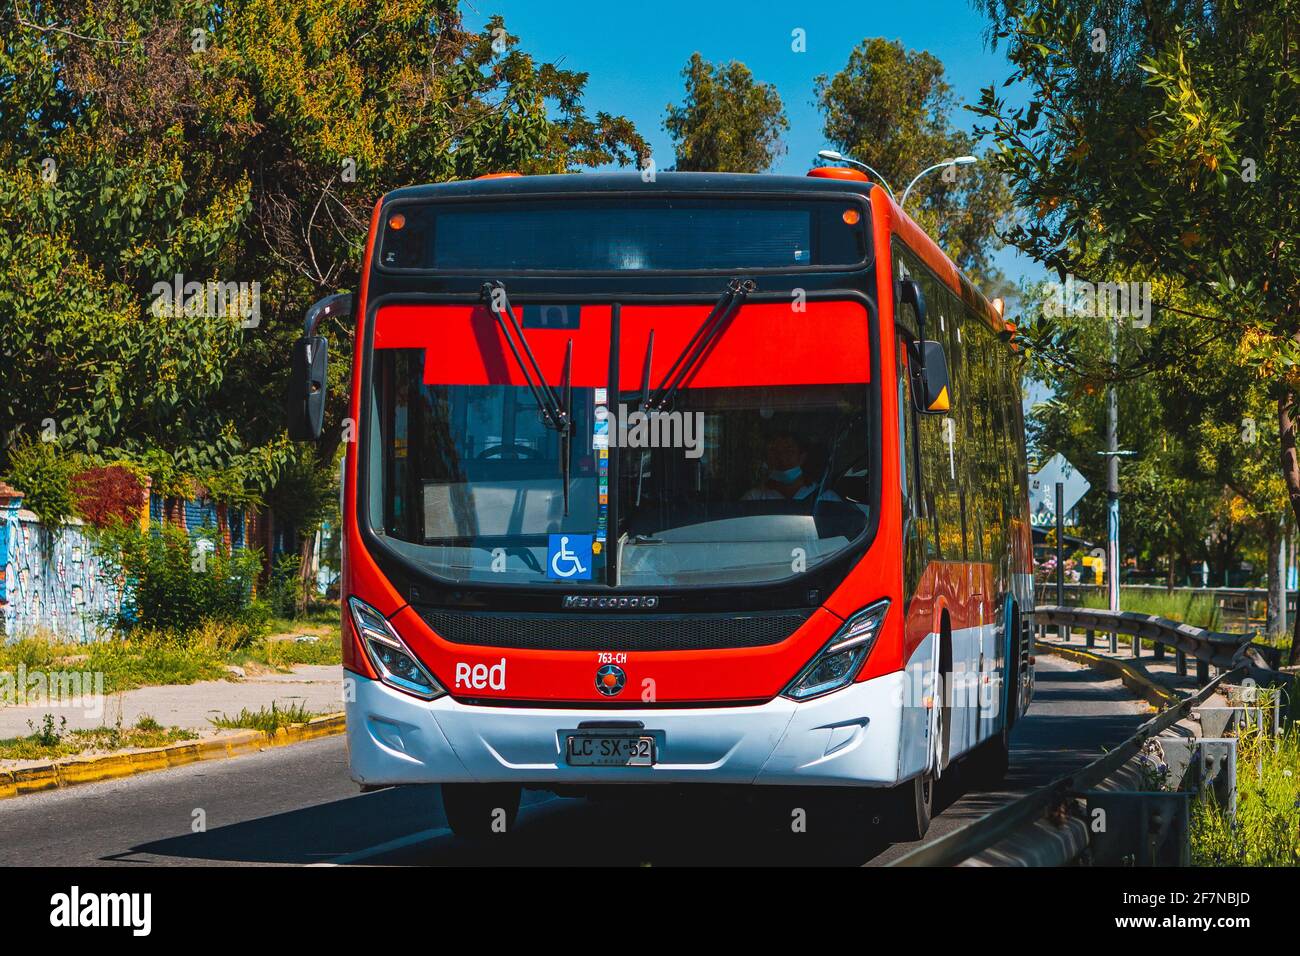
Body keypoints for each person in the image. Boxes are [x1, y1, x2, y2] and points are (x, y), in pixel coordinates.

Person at [743, 433, 840, 502]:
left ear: (802, 457)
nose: (782, 457)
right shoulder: (754, 498)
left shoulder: (825, 498)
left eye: (789, 451)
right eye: (774, 452)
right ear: (767, 460)